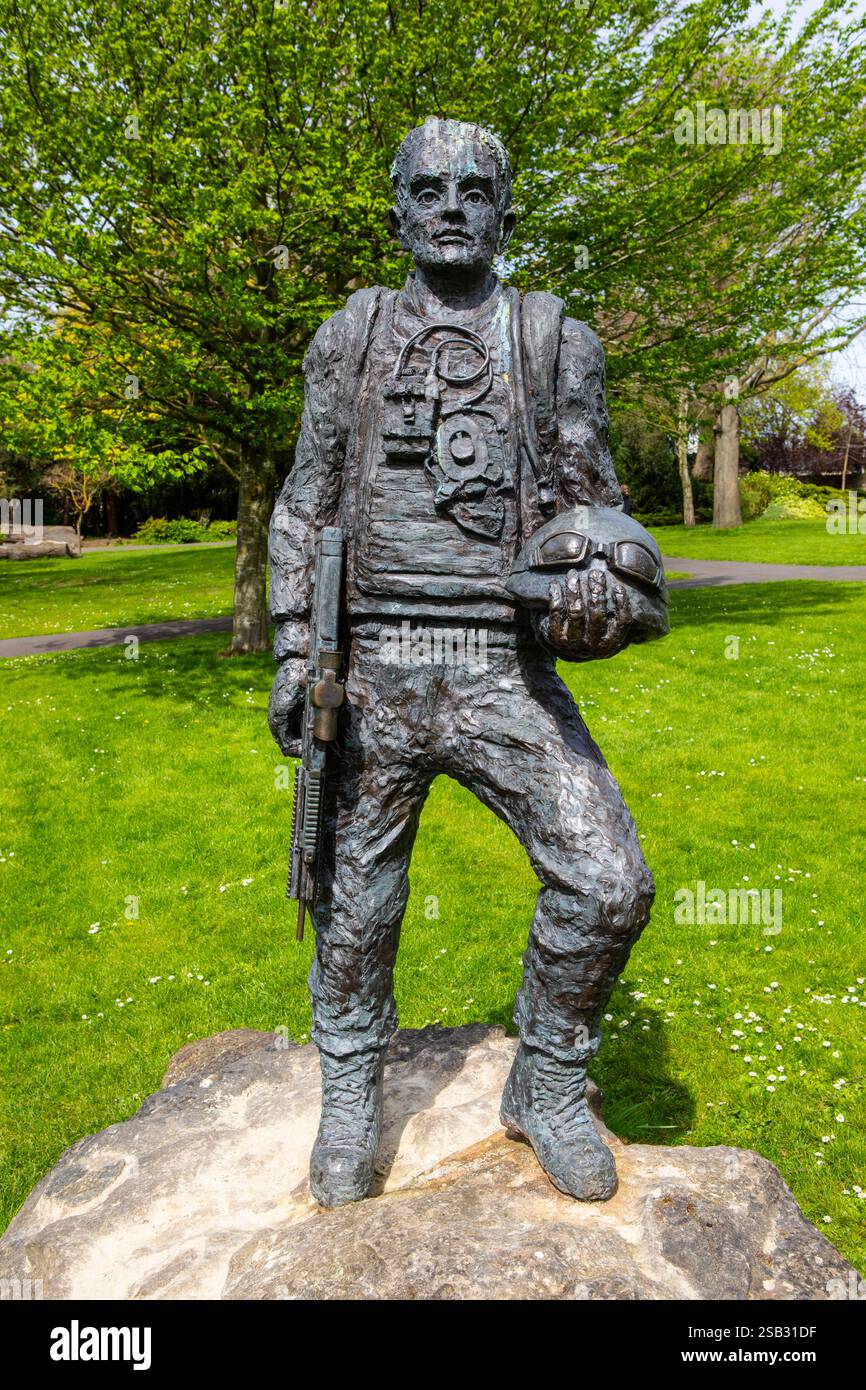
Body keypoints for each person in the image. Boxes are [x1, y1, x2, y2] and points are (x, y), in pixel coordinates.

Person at [268, 117, 666, 1207]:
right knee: (355, 898)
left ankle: (546, 1079)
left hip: (501, 666)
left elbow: (596, 506)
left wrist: (600, 586)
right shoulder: (349, 337)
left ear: (503, 212)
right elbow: (303, 507)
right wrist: (300, 648)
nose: (450, 206)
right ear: (396, 209)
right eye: (428, 189)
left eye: (473, 189)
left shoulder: (550, 341)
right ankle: (349, 1090)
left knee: (607, 879)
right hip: (374, 664)